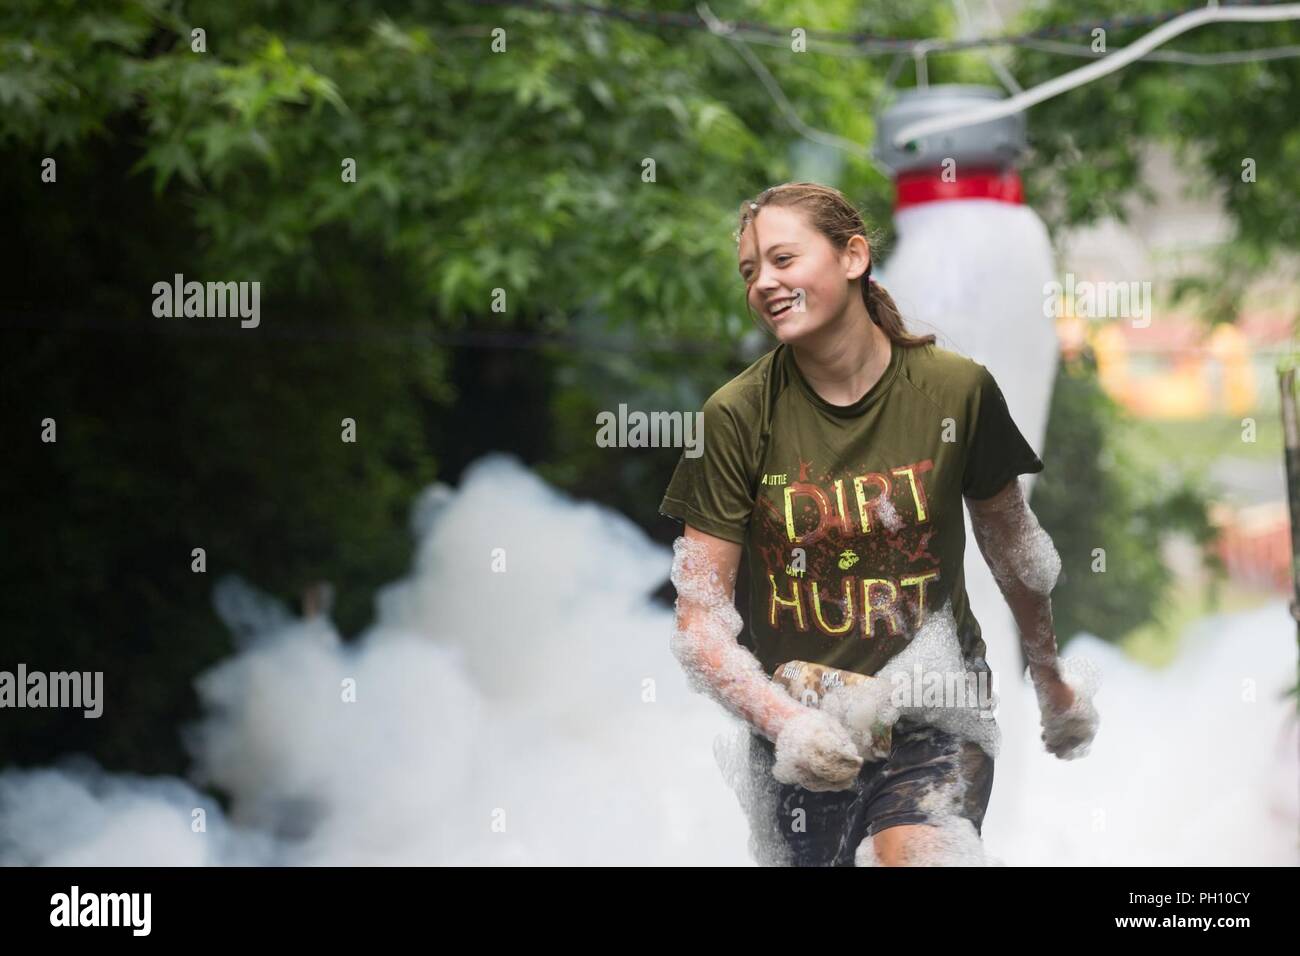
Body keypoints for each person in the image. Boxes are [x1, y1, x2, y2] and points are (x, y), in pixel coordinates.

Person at [660, 182, 1097, 867]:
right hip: (804, 733)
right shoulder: (737, 416)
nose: (763, 283)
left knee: (917, 857)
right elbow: (700, 622)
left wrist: (1048, 677)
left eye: (782, 259)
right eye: (751, 271)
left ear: (853, 256)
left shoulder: (955, 391)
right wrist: (788, 725)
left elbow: (1014, 549)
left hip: (938, 709)